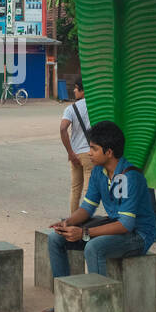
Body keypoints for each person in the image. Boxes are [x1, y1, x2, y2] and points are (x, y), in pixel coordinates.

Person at [37, 120, 156, 312]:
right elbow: (87, 208)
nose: (89, 152)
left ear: (109, 152)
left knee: (94, 247)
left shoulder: (129, 177)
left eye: (94, 148)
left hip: (138, 235)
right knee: (55, 238)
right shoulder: (98, 172)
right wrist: (68, 222)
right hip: (115, 225)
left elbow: (126, 225)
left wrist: (84, 233)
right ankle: (65, 301)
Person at [60, 77, 93, 214]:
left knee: (75, 189)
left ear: (83, 91)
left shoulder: (71, 109)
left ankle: (73, 219)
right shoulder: (96, 107)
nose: (74, 90)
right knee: (88, 191)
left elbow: (63, 129)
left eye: (76, 88)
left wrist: (70, 153)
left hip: (75, 154)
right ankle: (84, 219)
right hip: (90, 155)